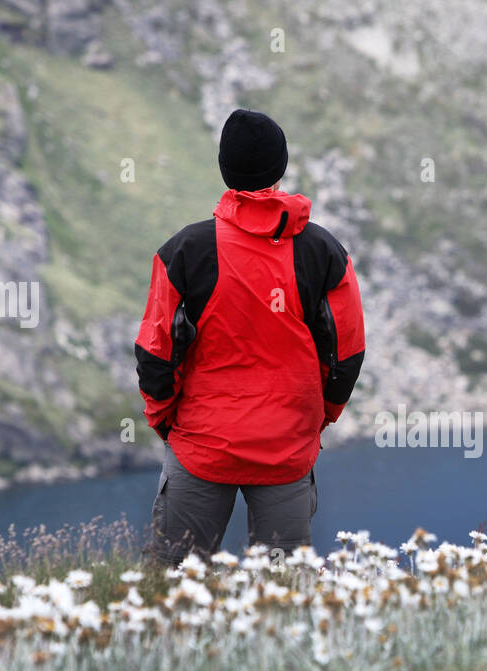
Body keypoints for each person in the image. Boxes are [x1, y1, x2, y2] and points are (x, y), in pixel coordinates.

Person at [134, 108, 365, 564]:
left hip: (201, 446)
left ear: (225, 170)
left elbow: (156, 353)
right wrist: (319, 418)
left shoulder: (184, 250)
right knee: (280, 601)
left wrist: (165, 422)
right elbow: (348, 353)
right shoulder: (323, 252)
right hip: (286, 450)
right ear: (279, 168)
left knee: (171, 590)